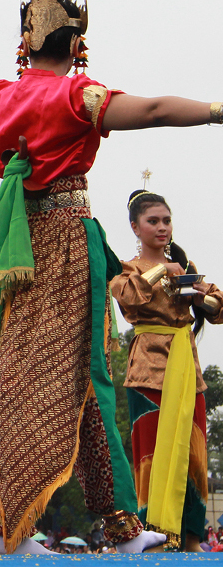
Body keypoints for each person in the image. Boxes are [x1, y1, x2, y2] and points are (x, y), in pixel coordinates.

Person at [0, 0, 223, 554]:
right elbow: (149, 109)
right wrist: (217, 111)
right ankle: (8, 527)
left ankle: (119, 525)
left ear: (25, 42)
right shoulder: (77, 95)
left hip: (15, 243)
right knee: (38, 378)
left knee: (79, 374)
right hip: (65, 242)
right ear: (76, 45)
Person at [110, 190, 222, 551]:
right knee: (152, 455)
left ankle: (190, 539)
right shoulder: (126, 269)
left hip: (188, 373)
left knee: (193, 455)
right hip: (147, 373)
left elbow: (219, 307)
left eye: (166, 220)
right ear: (135, 227)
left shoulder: (186, 268)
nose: (161, 227)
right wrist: (161, 271)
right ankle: (154, 536)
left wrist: (198, 297)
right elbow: (128, 297)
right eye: (153, 221)